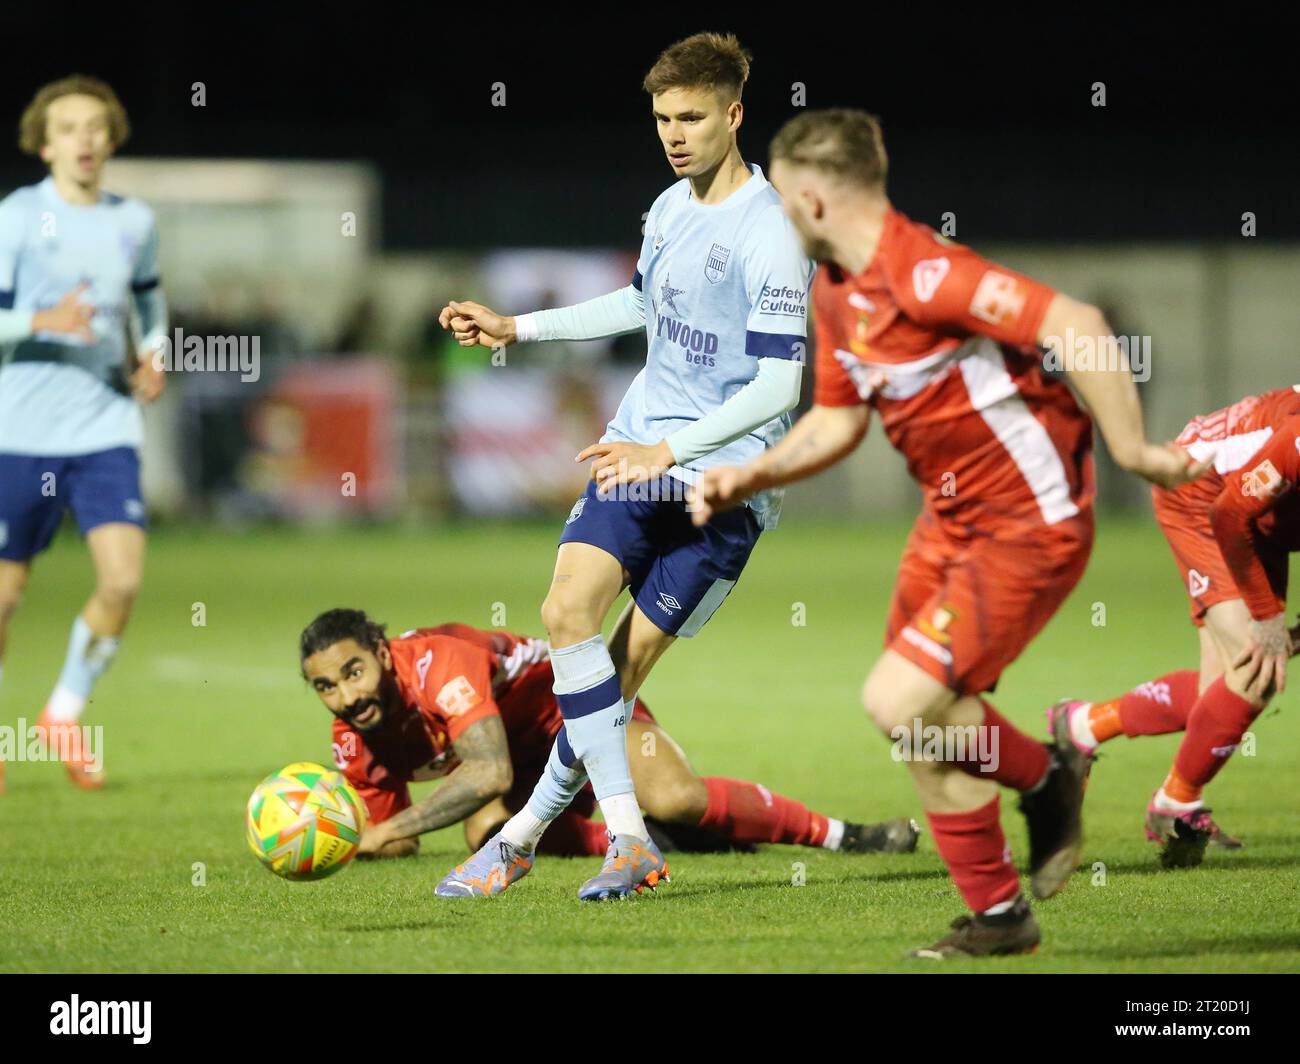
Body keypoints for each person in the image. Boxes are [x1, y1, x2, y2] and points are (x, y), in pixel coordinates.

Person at [690, 109, 1206, 957]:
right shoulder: (837, 292)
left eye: (778, 199)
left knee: (896, 699)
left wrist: (1132, 450)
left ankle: (1045, 779)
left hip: (1029, 525)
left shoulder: (924, 274)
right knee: (919, 720)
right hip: (951, 524)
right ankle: (1003, 910)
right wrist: (753, 472)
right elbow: (835, 421)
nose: (773, 216)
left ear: (812, 199)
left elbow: (1075, 324)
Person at [434, 33, 814, 899]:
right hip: (638, 449)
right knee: (565, 610)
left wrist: (670, 450)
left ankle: (528, 831)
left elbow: (780, 385)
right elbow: (638, 302)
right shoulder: (670, 206)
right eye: (661, 119)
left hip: (726, 483)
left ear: (735, 114)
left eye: (690, 117)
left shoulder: (772, 232)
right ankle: (630, 839)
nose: (674, 134)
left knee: (616, 672)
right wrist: (516, 329)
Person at [300, 609, 920, 873]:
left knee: (678, 797)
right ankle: (649, 841)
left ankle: (846, 835)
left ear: (382, 653)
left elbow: (485, 774)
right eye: (326, 687)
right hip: (523, 757)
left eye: (354, 672)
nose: (347, 696)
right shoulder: (355, 736)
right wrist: (329, 838)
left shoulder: (441, 664)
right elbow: (393, 842)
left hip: (583, 705)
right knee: (489, 835)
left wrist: (387, 830)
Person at [1049, 387, 1300, 867]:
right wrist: (1269, 618)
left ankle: (1082, 726)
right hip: (1201, 493)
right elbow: (1230, 516)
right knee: (1257, 669)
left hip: (1258, 513)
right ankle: (1175, 805)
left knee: (1221, 692)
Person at [0, 75, 167, 792]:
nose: (86, 139)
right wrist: (42, 322)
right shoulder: (14, 217)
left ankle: (63, 712)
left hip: (105, 426)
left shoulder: (134, 221)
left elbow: (149, 299)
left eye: (97, 126)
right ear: (44, 144)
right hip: (21, 429)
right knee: (6, 598)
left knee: (123, 579)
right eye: (69, 127)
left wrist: (154, 353)